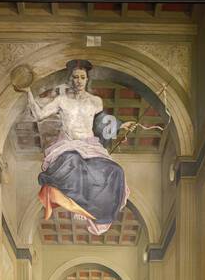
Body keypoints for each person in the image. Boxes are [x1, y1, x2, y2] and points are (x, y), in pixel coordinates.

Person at [20, 59, 134, 236]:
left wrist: (120, 126)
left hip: (90, 145)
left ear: (87, 79)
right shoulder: (62, 100)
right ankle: (78, 206)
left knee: (116, 171)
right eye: (75, 77)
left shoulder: (96, 102)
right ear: (70, 79)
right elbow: (39, 114)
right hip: (68, 145)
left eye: (82, 77)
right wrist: (28, 92)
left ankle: (94, 214)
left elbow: (102, 122)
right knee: (72, 162)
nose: (78, 81)